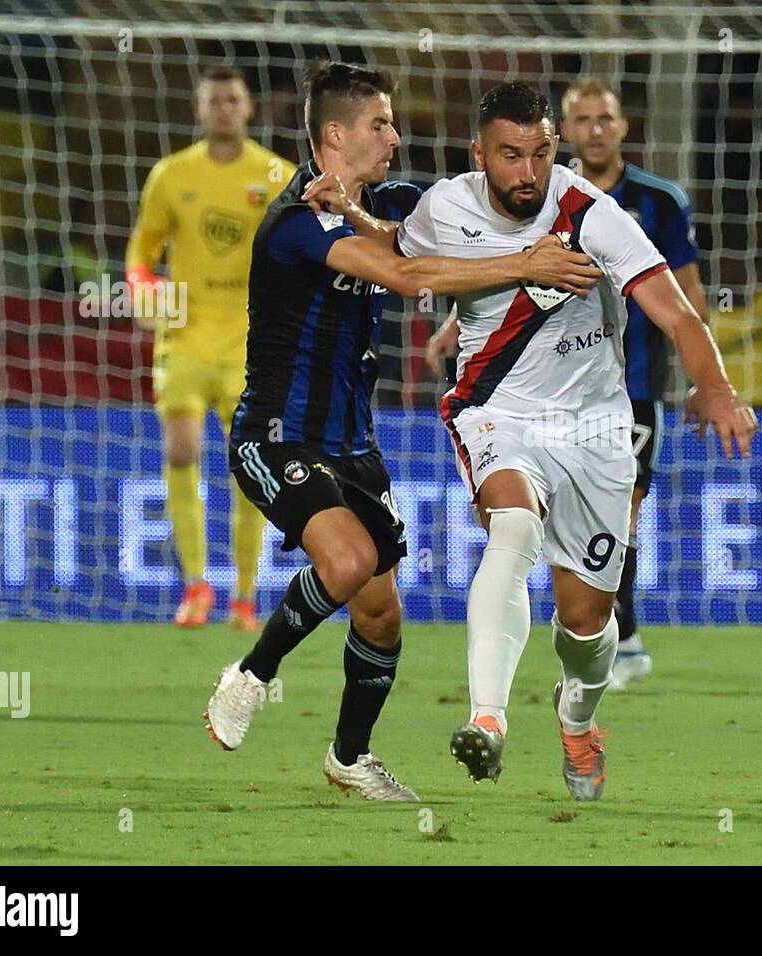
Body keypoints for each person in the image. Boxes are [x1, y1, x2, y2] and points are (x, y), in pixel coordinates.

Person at [202, 62, 601, 800]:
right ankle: (252, 674)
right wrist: (522, 266)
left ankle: (349, 758)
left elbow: (444, 240)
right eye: (379, 124)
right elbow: (409, 275)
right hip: (278, 434)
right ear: (335, 134)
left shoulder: (389, 201)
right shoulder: (292, 223)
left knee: (381, 616)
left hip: (355, 447)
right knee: (349, 561)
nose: (394, 135)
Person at [400, 82, 756, 801]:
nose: (526, 173)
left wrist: (712, 385)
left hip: (596, 429)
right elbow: (399, 264)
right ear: (480, 154)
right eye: (509, 156)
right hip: (497, 411)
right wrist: (342, 212)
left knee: (586, 623)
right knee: (513, 524)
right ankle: (488, 719)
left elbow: (678, 313)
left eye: (539, 153)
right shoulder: (445, 206)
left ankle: (577, 715)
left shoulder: (591, 215)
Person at [426, 76, 709, 690]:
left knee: (623, 515)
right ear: (570, 130)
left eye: (605, 118)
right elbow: (476, 275)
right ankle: (503, 696)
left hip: (623, 389)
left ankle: (617, 630)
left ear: (621, 126)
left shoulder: (649, 202)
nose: (595, 130)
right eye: (584, 119)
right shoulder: (493, 203)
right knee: (522, 522)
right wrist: (456, 321)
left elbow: (686, 299)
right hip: (520, 403)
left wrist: (704, 374)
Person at [125, 65, 294, 630]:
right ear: (199, 110)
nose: (223, 108)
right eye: (213, 100)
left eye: (233, 99)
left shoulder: (277, 175)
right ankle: (197, 587)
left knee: (249, 465)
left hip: (251, 342)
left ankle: (245, 597)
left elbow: (306, 248)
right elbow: (140, 255)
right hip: (186, 337)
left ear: (249, 109)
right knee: (180, 450)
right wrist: (144, 290)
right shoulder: (171, 176)